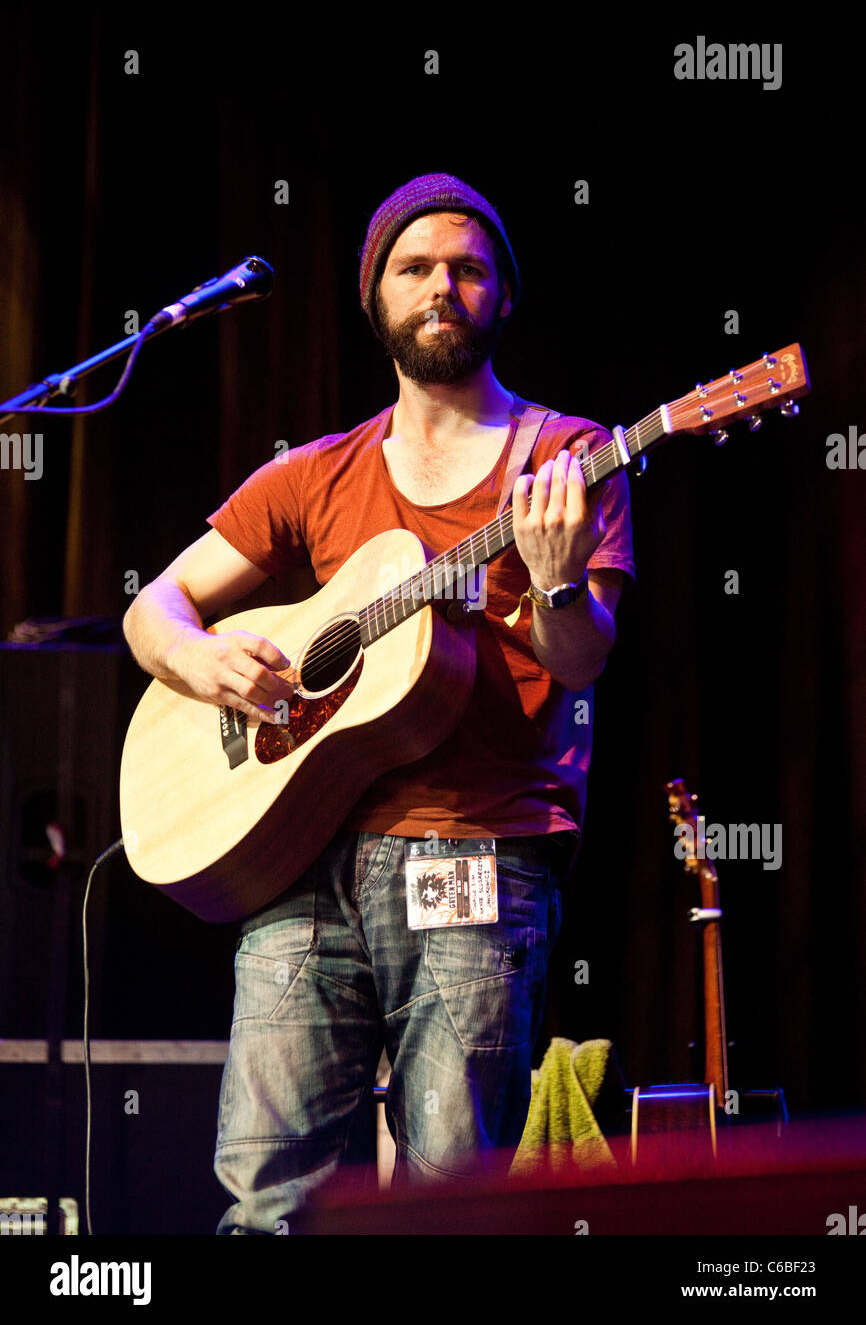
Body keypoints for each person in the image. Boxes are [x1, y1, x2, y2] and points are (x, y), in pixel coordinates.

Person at [122, 173, 635, 1232]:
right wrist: (198, 661)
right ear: (376, 296)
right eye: (414, 268)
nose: (441, 286)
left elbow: (579, 661)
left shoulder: (567, 457)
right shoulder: (314, 474)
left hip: (474, 857)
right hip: (297, 861)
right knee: (266, 1197)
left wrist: (551, 581)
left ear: (501, 293)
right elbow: (151, 610)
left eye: (467, 267)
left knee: (447, 1200)